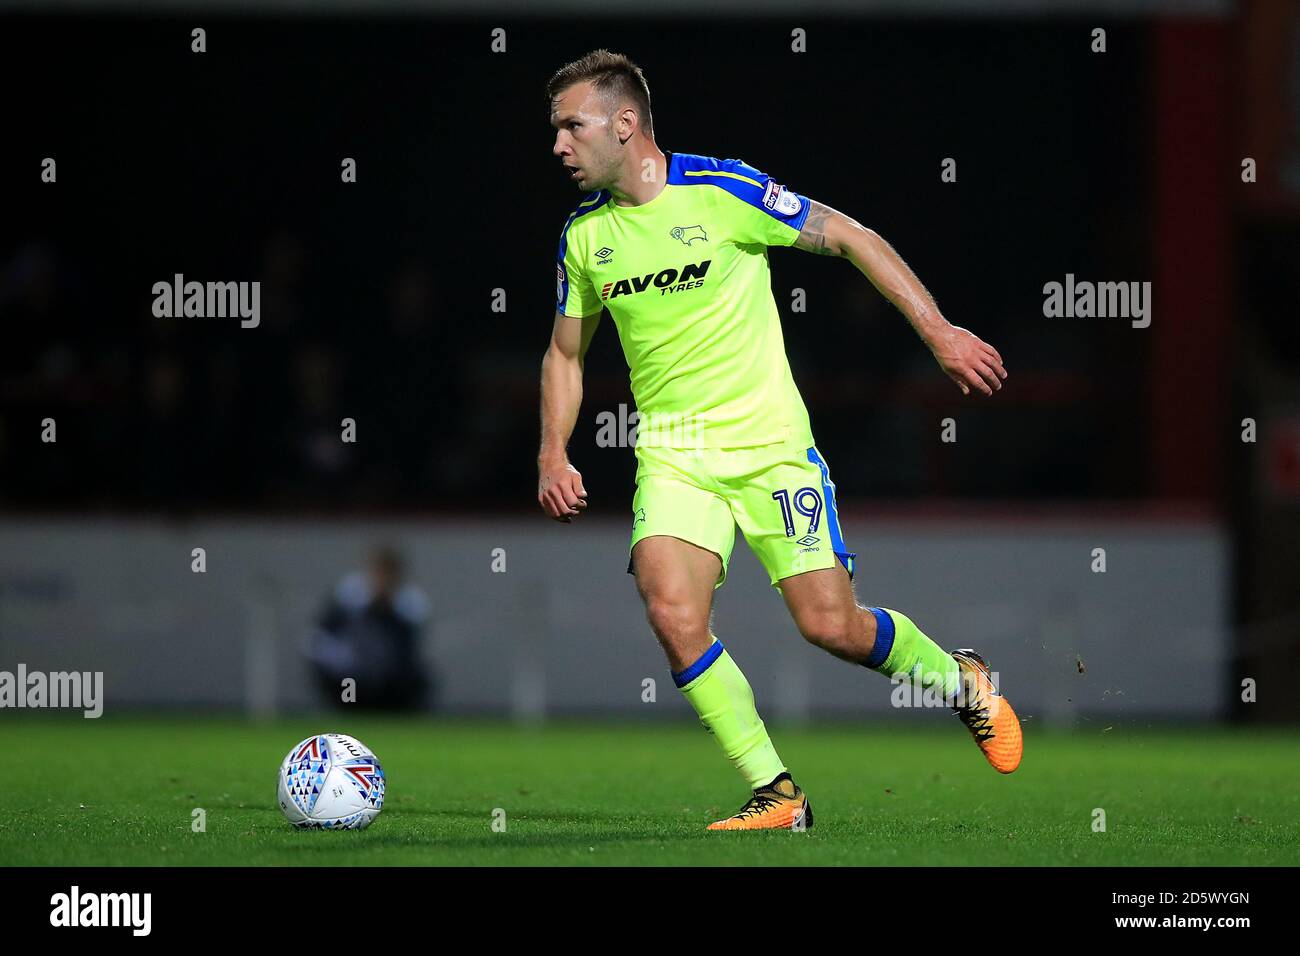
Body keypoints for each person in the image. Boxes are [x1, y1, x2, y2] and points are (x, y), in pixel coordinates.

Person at [537, 50, 1021, 831]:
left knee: (832, 626)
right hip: (673, 455)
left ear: (626, 125)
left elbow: (853, 236)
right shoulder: (584, 239)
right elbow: (565, 354)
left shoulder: (724, 189)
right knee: (670, 610)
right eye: (555, 128)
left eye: (571, 125)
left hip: (770, 450)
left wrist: (937, 332)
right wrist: (552, 452)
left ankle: (962, 681)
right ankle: (777, 792)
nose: (558, 144)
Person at [306, 546, 431, 712]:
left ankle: (396, 715)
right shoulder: (349, 596)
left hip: (387, 677)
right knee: (347, 687)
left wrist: (388, 610)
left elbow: (408, 650)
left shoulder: (408, 601)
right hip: (351, 674)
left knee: (415, 681)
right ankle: (347, 712)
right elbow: (323, 635)